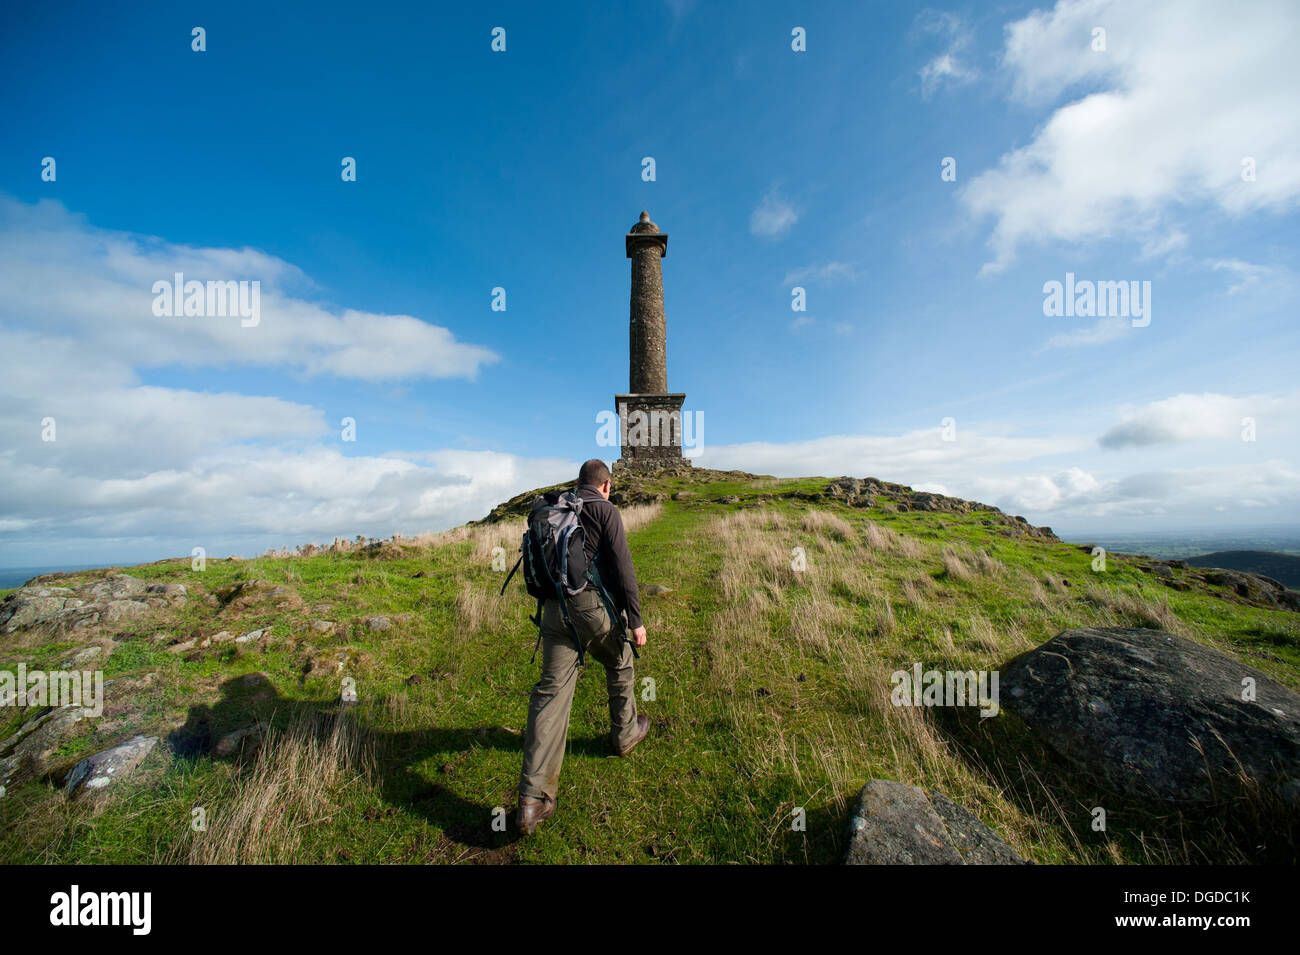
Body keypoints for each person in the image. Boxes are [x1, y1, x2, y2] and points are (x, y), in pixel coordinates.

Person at [516, 458, 650, 835]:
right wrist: (635, 621)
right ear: (606, 485)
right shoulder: (606, 510)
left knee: (551, 692)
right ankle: (624, 734)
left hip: (553, 611)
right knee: (621, 659)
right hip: (588, 608)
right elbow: (623, 568)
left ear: (580, 482)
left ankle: (532, 801)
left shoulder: (560, 506)